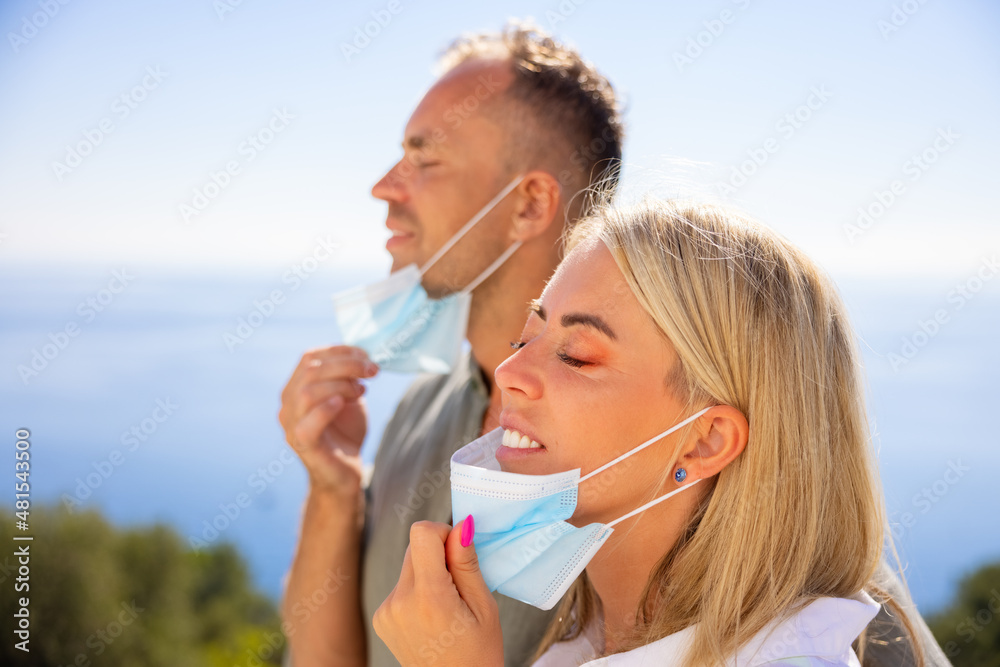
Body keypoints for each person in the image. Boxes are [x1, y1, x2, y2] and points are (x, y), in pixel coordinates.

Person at [371, 198, 954, 666]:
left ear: (704, 441)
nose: (510, 372)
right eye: (527, 338)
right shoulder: (580, 647)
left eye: (575, 355)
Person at [279, 22, 624, 667]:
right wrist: (334, 488)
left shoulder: (641, 460)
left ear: (527, 204)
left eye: (425, 159)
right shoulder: (427, 402)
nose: (384, 187)